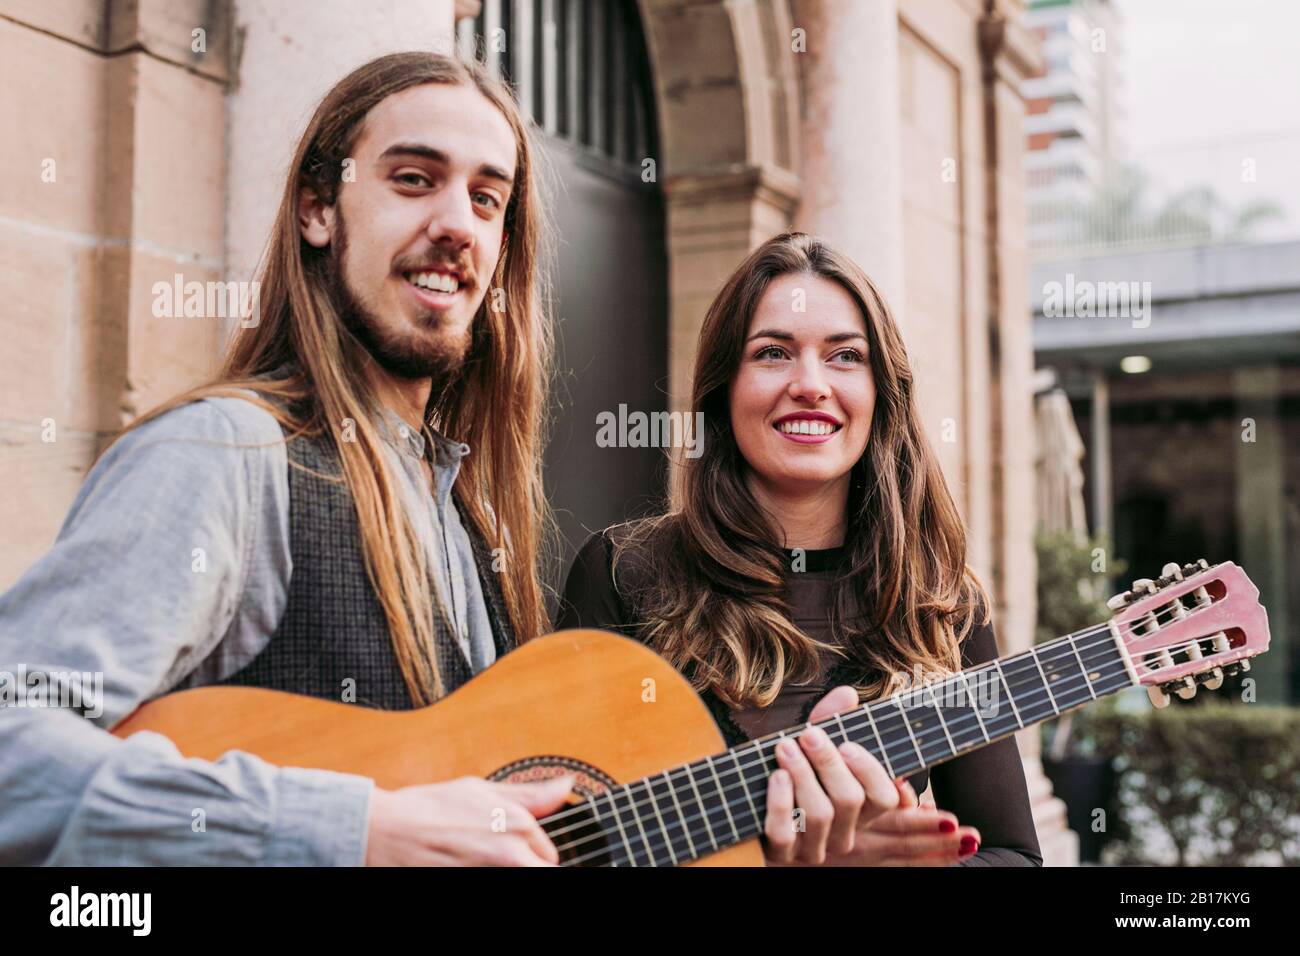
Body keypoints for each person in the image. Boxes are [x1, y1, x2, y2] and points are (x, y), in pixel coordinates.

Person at [0, 52, 575, 866]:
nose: (458, 224)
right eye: (414, 179)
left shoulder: (468, 520)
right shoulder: (224, 453)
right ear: (318, 209)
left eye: (487, 199)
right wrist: (347, 830)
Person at [558, 232, 1043, 866]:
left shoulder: (942, 604)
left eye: (845, 356)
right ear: (723, 389)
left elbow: (1013, 856)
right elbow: (553, 840)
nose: (810, 384)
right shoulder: (621, 573)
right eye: (772, 353)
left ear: (880, 393)